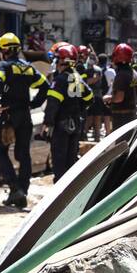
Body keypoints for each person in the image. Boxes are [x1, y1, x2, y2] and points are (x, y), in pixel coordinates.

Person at [0, 32, 47, 208]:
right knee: (23, 155)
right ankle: (23, 191)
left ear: (4, 51)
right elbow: (45, 86)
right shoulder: (28, 67)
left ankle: (15, 189)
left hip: (8, 115)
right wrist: (32, 103)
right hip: (25, 116)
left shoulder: (4, 66)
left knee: (0, 152)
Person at [38, 44, 93, 182]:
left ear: (62, 61)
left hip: (62, 125)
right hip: (76, 123)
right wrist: (78, 108)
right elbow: (89, 97)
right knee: (71, 159)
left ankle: (60, 191)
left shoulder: (60, 80)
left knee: (59, 159)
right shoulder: (77, 78)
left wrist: (46, 124)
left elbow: (53, 104)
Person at [105, 43, 137, 129]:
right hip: (132, 113)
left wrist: (109, 98)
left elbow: (119, 98)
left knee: (121, 142)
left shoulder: (121, 75)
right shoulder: (134, 72)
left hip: (121, 116)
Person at [79, 46, 111, 139]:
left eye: (93, 58)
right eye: (91, 57)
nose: (92, 60)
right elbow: (86, 82)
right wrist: (94, 79)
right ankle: (83, 135)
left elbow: (96, 81)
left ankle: (97, 136)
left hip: (97, 96)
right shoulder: (83, 68)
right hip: (87, 96)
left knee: (97, 117)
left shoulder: (98, 70)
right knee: (88, 117)